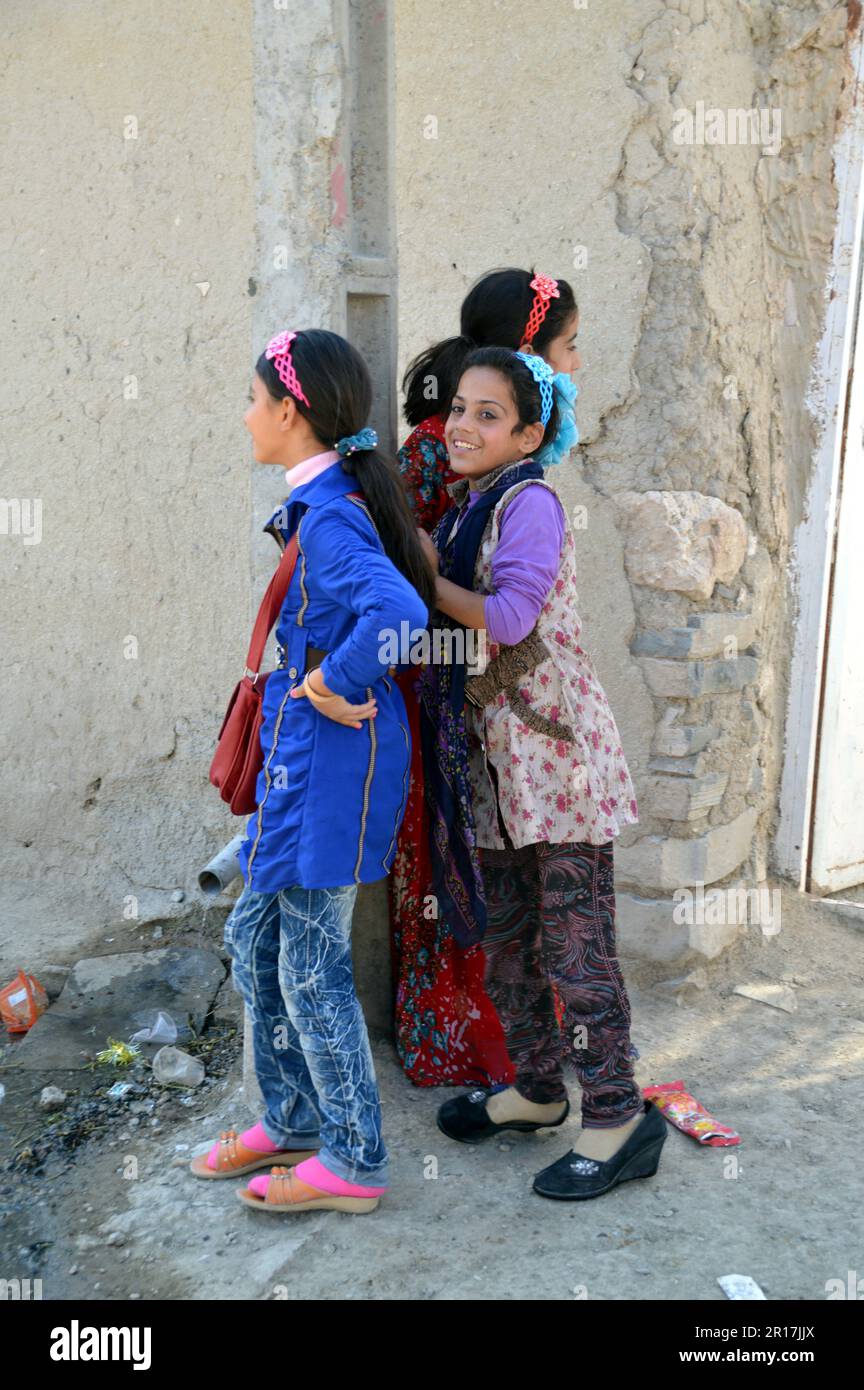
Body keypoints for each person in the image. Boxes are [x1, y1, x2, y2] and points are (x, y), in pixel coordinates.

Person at [190, 328, 433, 1214]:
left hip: (331, 769)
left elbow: (400, 613)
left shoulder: (330, 515)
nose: (246, 415)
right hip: (304, 764)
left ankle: (356, 1161)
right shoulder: (323, 497)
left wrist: (333, 677)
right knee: (252, 940)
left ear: (290, 413)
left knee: (310, 963)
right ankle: (292, 1117)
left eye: (255, 400)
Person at [419, 344, 667, 1200]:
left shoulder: (527, 503)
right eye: (458, 408)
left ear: (528, 434)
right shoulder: (469, 505)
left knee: (575, 946)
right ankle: (534, 1089)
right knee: (507, 941)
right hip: (498, 768)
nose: (462, 426)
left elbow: (512, 616)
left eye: (488, 415)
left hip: (554, 758)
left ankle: (616, 1116)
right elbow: (460, 641)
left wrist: (420, 568)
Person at [390, 269, 581, 1088]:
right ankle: (481, 1046)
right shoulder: (454, 442)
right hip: (452, 687)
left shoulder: (472, 440)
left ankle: (505, 1047)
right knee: (467, 862)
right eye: (568, 347)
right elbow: (477, 600)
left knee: (477, 862)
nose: (575, 362)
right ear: (529, 353)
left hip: (468, 685)